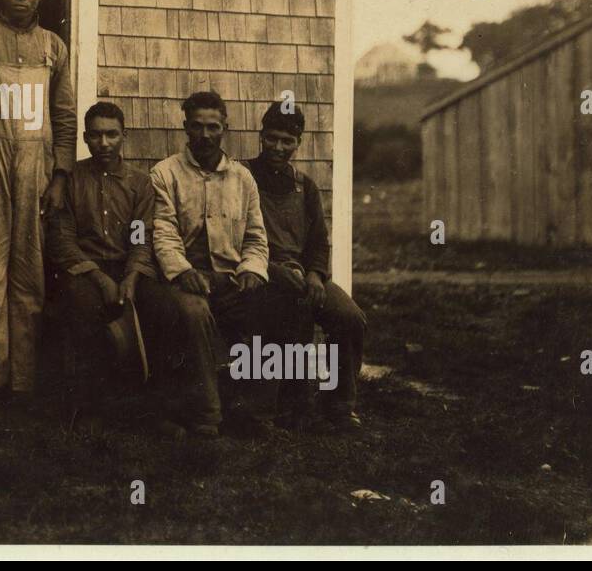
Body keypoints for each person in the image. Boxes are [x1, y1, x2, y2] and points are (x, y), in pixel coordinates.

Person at [48, 101, 220, 441]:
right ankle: (91, 410)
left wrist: (130, 277)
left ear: (124, 136)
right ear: (85, 138)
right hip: (86, 270)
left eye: (112, 135)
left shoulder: (139, 184)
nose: (104, 143)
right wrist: (98, 277)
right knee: (83, 306)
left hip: (130, 269)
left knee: (167, 309)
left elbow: (141, 237)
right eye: (96, 135)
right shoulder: (72, 181)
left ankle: (159, 410)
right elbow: (62, 239)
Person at [150, 91, 285, 436]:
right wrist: (183, 271)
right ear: (185, 128)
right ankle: (207, 415)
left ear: (225, 127)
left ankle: (256, 414)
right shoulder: (165, 174)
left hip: (231, 278)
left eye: (213, 127)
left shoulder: (242, 179)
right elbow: (163, 233)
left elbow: (256, 237)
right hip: (186, 278)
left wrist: (252, 270)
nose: (205, 135)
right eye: (197, 127)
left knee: (269, 305)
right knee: (194, 314)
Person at [0, 0, 77, 399]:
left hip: (36, 165)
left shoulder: (54, 47)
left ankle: (24, 382)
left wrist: (60, 177)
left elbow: (66, 116)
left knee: (29, 273)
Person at [243, 101, 366, 431]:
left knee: (349, 317)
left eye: (287, 141)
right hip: (259, 271)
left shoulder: (305, 186)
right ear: (260, 136)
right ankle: (290, 407)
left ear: (298, 143)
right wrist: (270, 268)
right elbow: (230, 238)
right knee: (287, 308)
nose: (278, 148)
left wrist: (315, 274)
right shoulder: (242, 177)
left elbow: (318, 242)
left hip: (303, 274)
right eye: (271, 139)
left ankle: (339, 405)